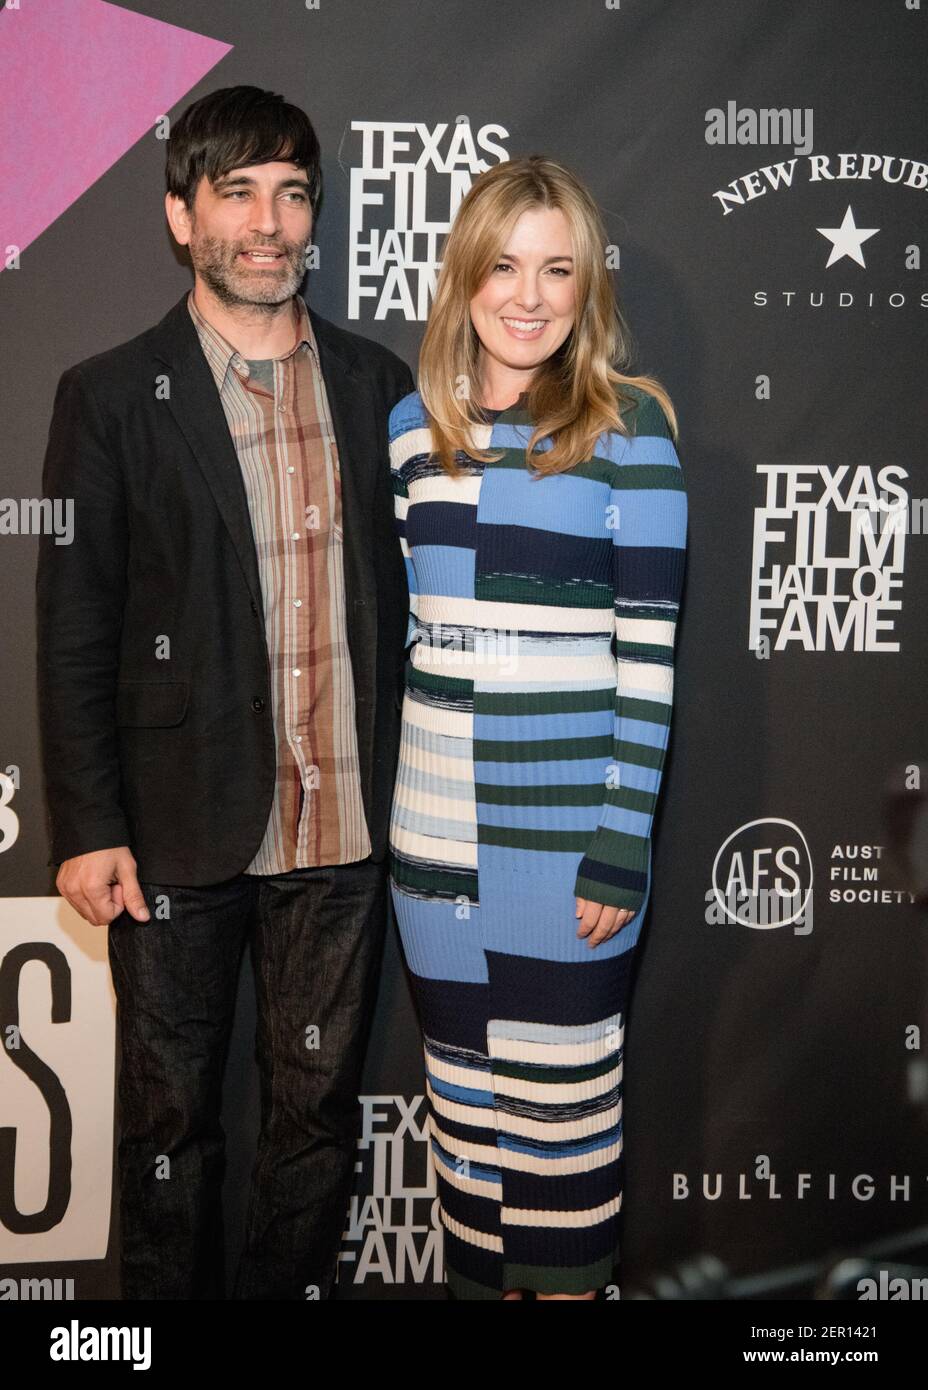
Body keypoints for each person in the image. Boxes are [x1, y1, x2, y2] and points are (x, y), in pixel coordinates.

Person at [35, 85, 414, 1300]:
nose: (270, 220)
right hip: (175, 833)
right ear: (179, 214)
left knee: (312, 1125)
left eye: (293, 192)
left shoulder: (376, 386)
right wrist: (88, 825)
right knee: (169, 1131)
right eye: (238, 191)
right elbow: (74, 625)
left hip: (343, 826)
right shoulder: (107, 394)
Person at [387, 155, 688, 1300]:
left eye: (556, 269)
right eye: (504, 265)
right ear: (464, 278)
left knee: (560, 1145)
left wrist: (620, 835)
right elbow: (422, 638)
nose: (528, 294)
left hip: (566, 850)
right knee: (465, 1127)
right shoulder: (412, 431)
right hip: (430, 847)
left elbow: (650, 657)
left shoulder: (631, 433)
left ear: (586, 289)